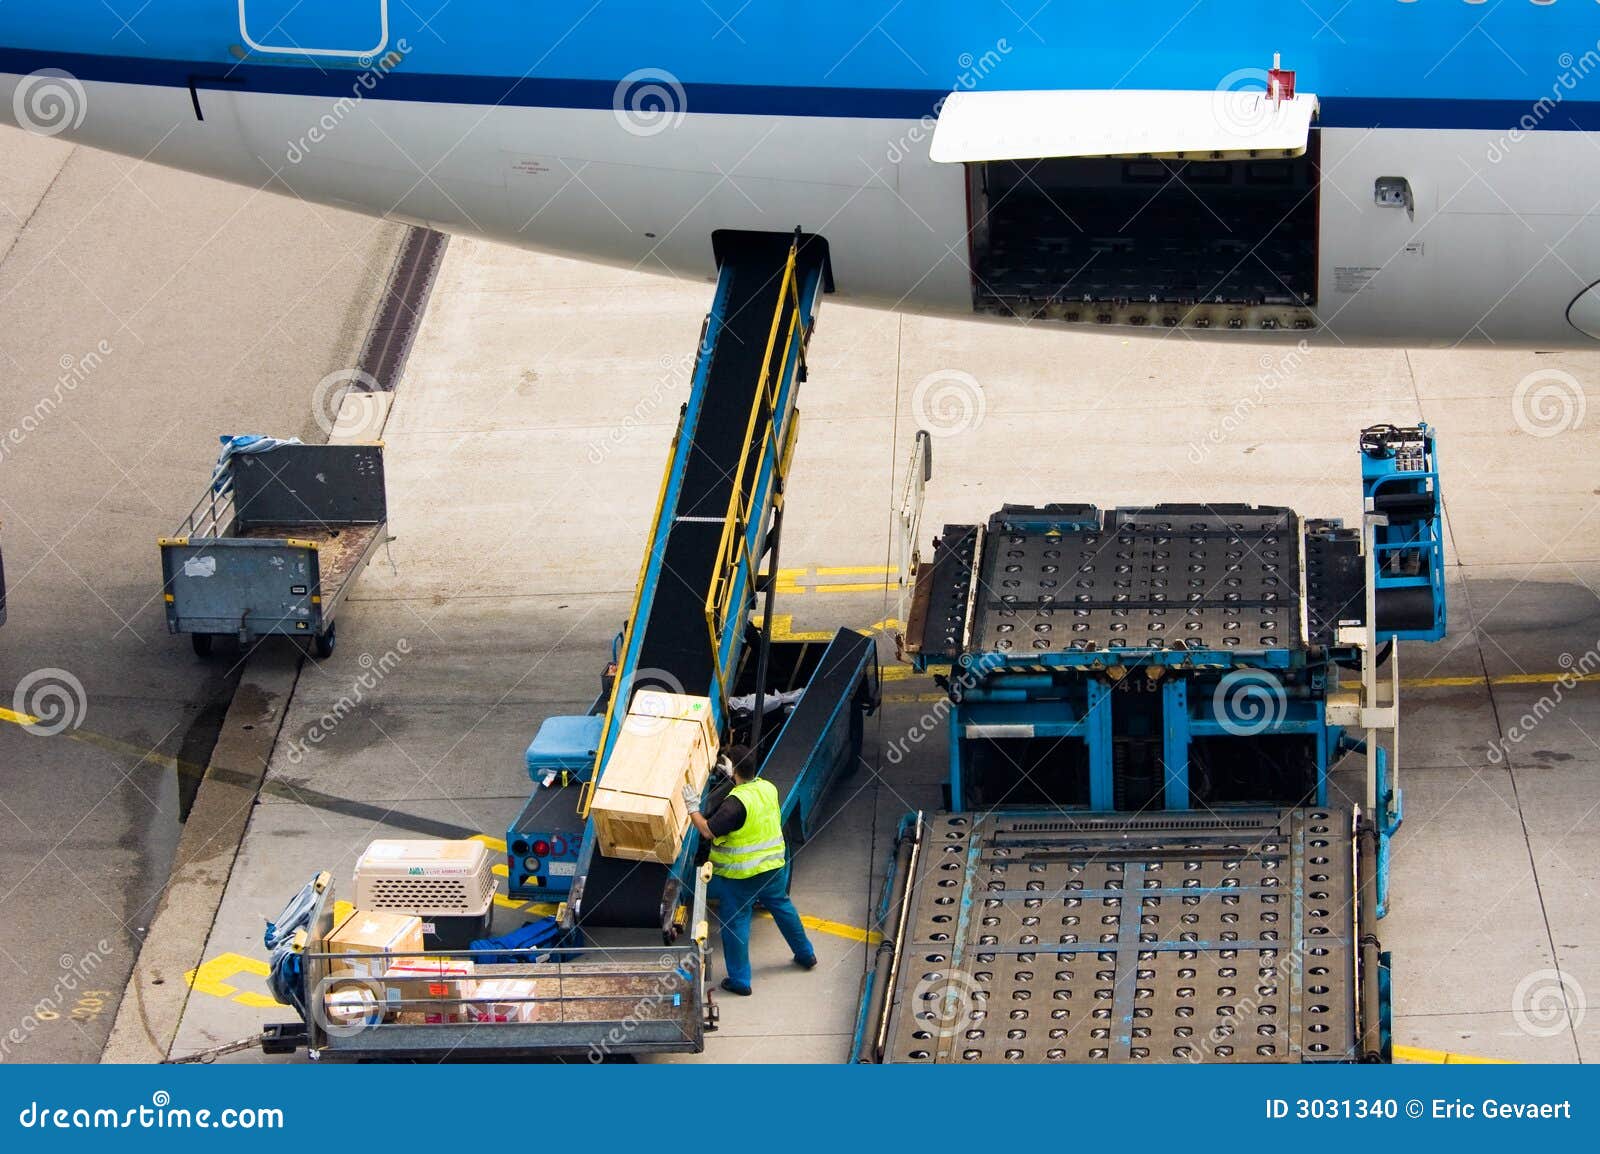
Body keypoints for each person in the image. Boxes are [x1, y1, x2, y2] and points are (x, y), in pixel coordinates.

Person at [684, 744, 816, 996]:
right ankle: (806, 954)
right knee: (783, 907)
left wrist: (692, 808)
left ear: (732, 770)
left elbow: (707, 830)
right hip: (773, 867)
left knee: (736, 923)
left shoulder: (734, 804)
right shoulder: (768, 787)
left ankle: (740, 980)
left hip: (742, 877)